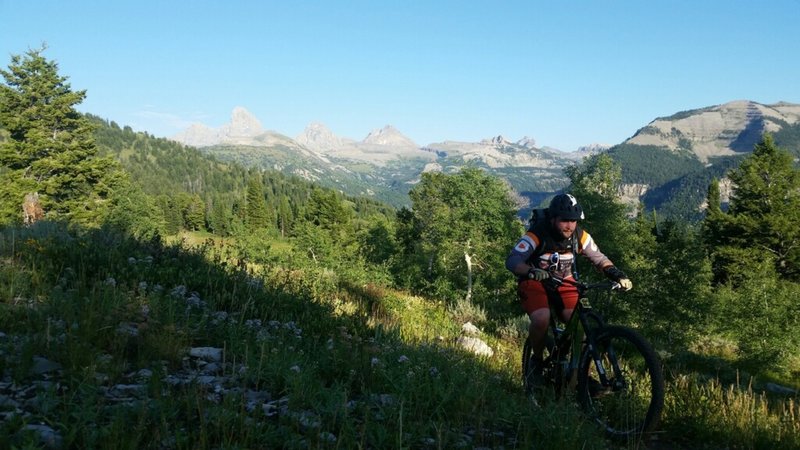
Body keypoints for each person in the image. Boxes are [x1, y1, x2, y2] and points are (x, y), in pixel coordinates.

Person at [505, 193, 632, 380]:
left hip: (564, 282)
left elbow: (598, 258)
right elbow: (513, 260)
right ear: (553, 218)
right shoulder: (537, 234)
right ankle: (537, 362)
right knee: (541, 319)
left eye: (574, 221)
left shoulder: (579, 236)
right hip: (535, 281)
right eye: (565, 220)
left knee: (580, 326)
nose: (570, 225)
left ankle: (578, 374)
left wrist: (617, 274)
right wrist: (530, 271)